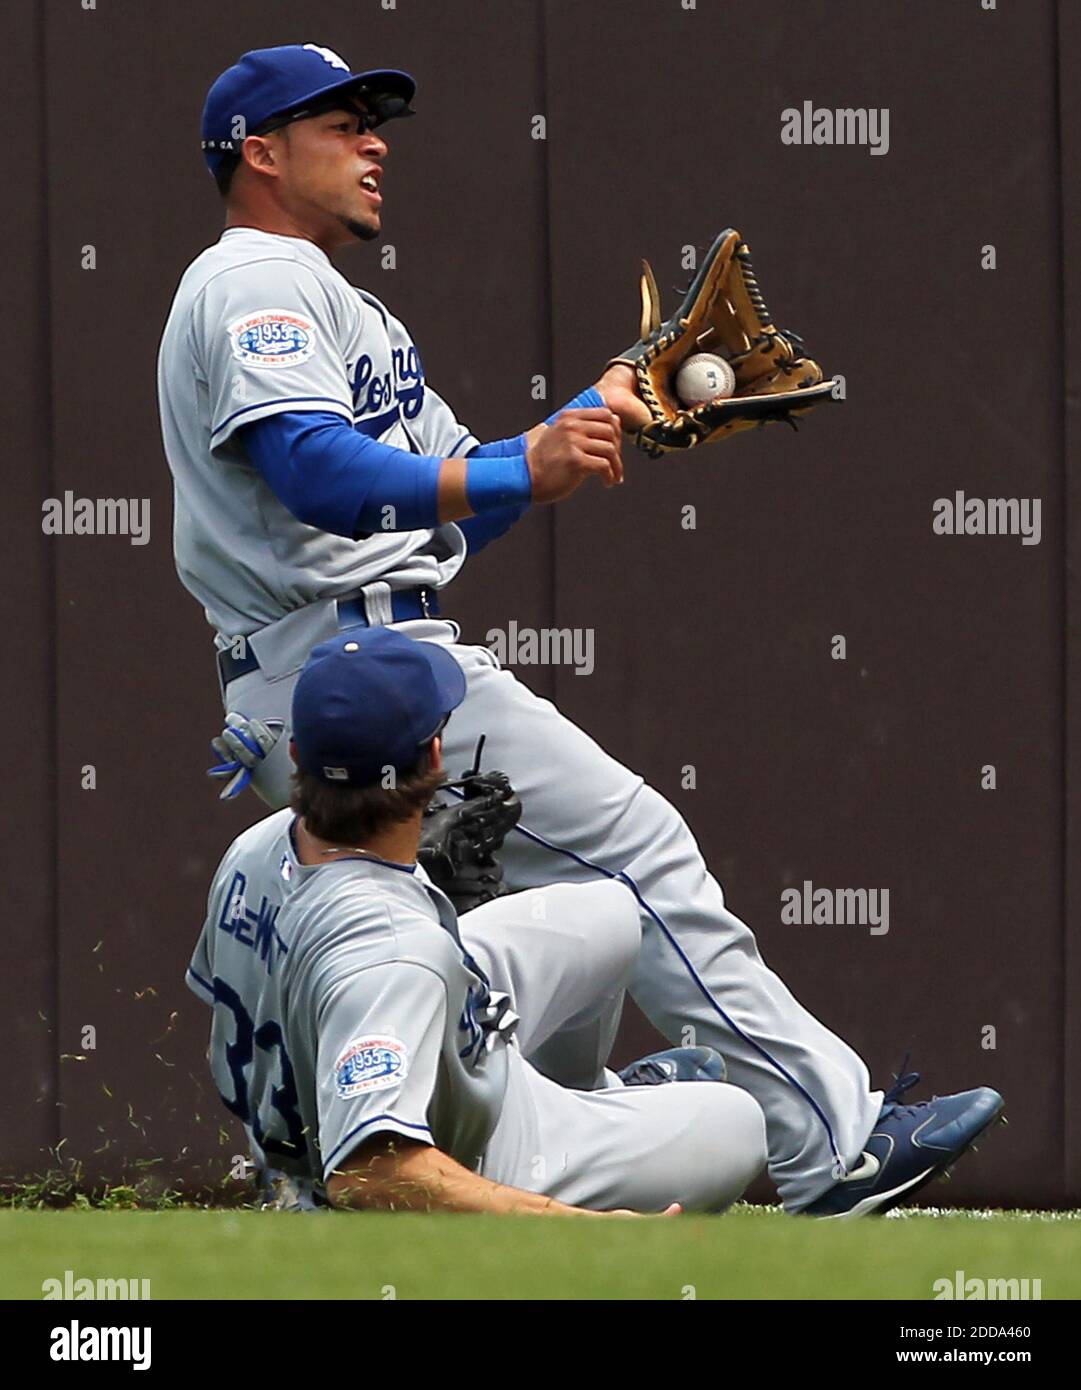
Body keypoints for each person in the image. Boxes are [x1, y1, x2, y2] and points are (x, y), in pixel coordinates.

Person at [160, 42, 1002, 1217]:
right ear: (258, 150)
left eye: (374, 121)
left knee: (520, 932)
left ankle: (502, 1149)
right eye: (343, 122)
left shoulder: (342, 305)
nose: (375, 141)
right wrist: (521, 459)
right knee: (636, 850)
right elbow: (314, 473)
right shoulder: (252, 277)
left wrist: (604, 410)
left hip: (349, 650)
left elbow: (446, 510)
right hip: (347, 662)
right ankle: (835, 1144)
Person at [186, 627, 768, 1214]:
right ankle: (593, 1130)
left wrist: (412, 878)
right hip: (475, 1153)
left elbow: (298, 982)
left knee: (615, 910)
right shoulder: (393, 951)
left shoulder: (255, 849)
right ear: (436, 755)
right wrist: (585, 1231)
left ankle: (593, 1102)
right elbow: (373, 1173)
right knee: (739, 1121)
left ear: (295, 756)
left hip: (407, 1062)